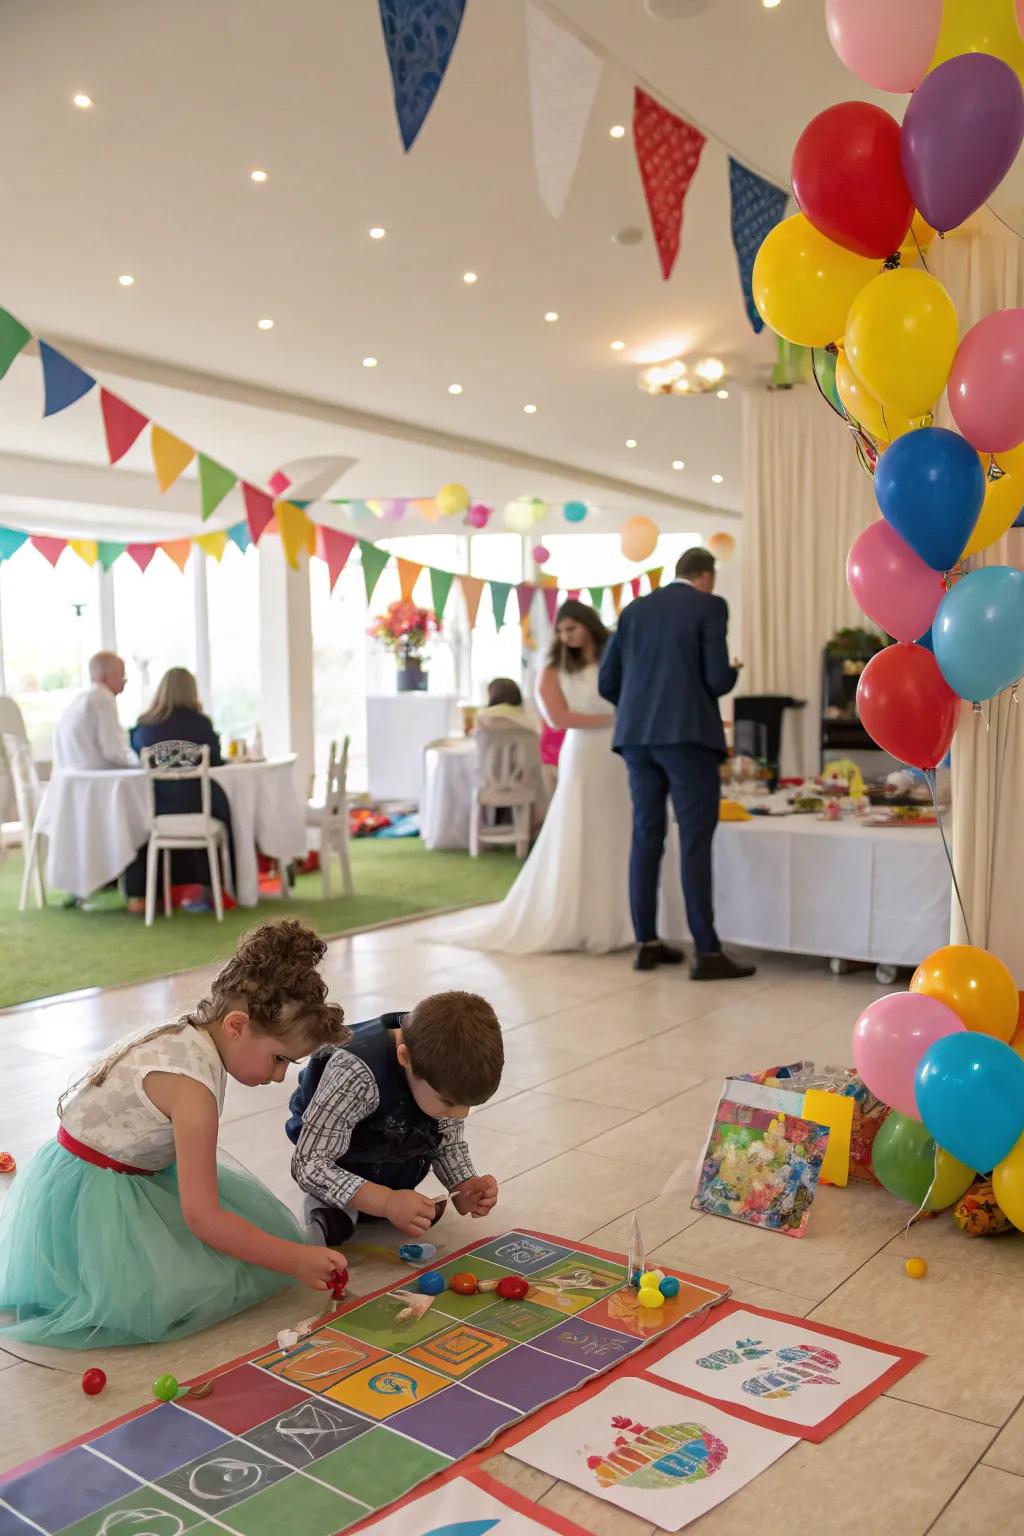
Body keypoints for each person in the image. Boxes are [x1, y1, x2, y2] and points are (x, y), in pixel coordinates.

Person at [0, 921, 350, 1349]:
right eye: (279, 1059)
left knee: (232, 1252)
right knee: (177, 1291)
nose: (279, 1077)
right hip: (90, 1204)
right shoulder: (192, 1090)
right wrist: (293, 1259)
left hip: (125, 1171)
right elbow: (203, 1217)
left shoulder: (193, 1033)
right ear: (236, 1026)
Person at [599, 547, 755, 981]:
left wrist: (643, 704)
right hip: (688, 738)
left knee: (646, 837)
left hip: (636, 738)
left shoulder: (633, 610)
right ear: (705, 576)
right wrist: (734, 670)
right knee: (694, 841)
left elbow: (607, 682)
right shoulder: (709, 605)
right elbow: (717, 679)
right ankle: (706, 951)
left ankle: (646, 944)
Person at [453, 600, 638, 953]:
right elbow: (558, 717)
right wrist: (613, 720)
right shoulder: (553, 668)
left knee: (619, 829)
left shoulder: (613, 657)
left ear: (588, 625)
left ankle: (624, 919)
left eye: (572, 628)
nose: (567, 636)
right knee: (583, 828)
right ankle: (583, 920)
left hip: (620, 754)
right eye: (562, 631)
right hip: (585, 753)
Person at [285, 992, 503, 1243]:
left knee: (427, 1126)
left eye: (468, 1106)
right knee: (334, 1214)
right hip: (342, 1155)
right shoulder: (355, 1073)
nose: (460, 1114)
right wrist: (386, 1202)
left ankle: (395, 1201)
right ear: (405, 1057)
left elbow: (443, 1137)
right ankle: (330, 1208)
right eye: (448, 1102)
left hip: (393, 1145)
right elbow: (309, 1163)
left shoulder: (438, 1064)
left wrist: (463, 1184)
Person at [124, 667, 234, 912]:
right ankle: (215, 886)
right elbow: (216, 761)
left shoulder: (144, 727)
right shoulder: (201, 725)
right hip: (198, 809)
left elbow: (134, 760)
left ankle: (140, 895)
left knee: (133, 816)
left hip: (157, 811)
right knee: (228, 808)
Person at [52, 651, 133, 770]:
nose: (125, 681)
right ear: (106, 676)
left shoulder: (77, 702)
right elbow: (114, 752)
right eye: (122, 675)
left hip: (75, 777)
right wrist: (141, 763)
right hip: (100, 776)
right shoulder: (104, 698)